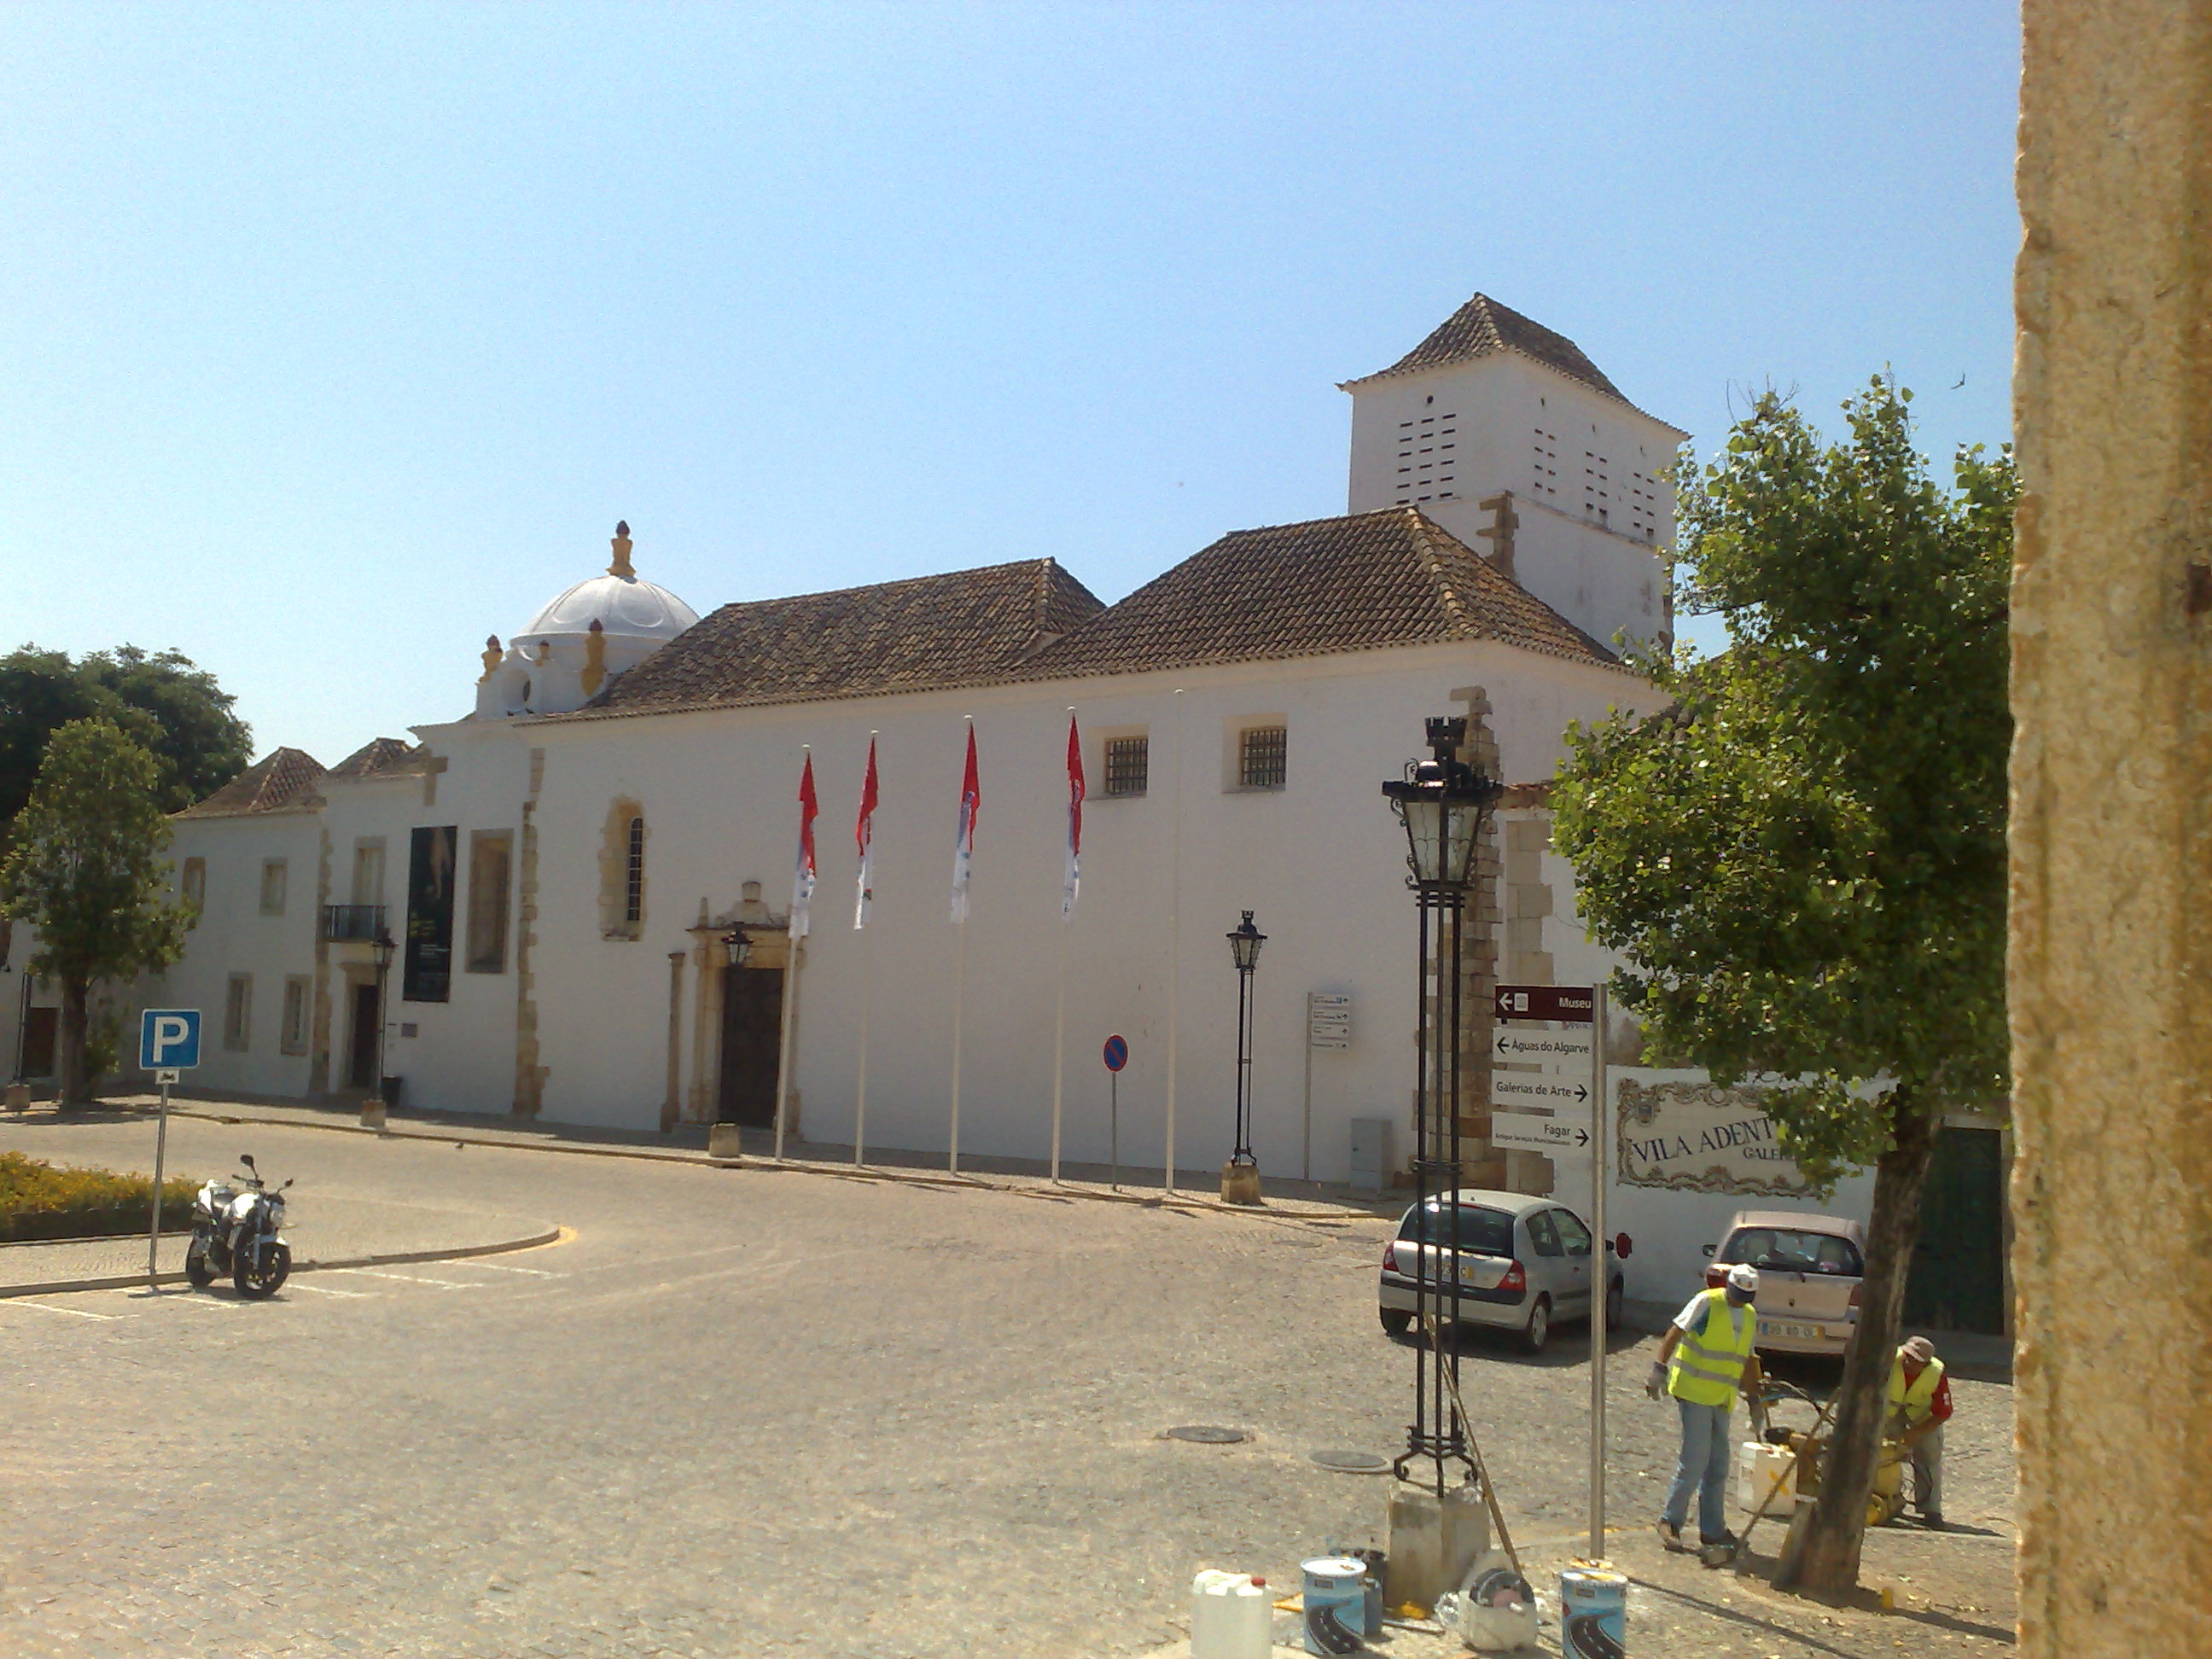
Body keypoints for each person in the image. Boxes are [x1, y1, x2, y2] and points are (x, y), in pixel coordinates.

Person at [1647, 1261, 1763, 1553]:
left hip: (1722, 1397)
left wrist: (1754, 1399)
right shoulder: (1707, 1303)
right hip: (1693, 1389)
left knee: (1719, 1464)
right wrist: (1658, 1367)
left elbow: (1749, 1359)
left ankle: (1712, 1530)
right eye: (1736, 1293)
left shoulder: (1749, 1316)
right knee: (1695, 1459)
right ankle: (1670, 1520)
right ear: (1729, 1286)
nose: (1739, 1300)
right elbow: (1675, 1331)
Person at [1886, 1335, 1952, 1528]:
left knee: (1929, 1457)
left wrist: (1917, 1432)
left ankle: (1931, 1509)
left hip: (1922, 1415)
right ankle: (1887, 1499)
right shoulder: (1889, 1361)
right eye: (1907, 1356)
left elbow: (1943, 1412)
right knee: (1883, 1453)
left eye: (1915, 1361)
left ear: (1926, 1364)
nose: (1909, 1362)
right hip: (1888, 1412)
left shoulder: (1936, 1373)